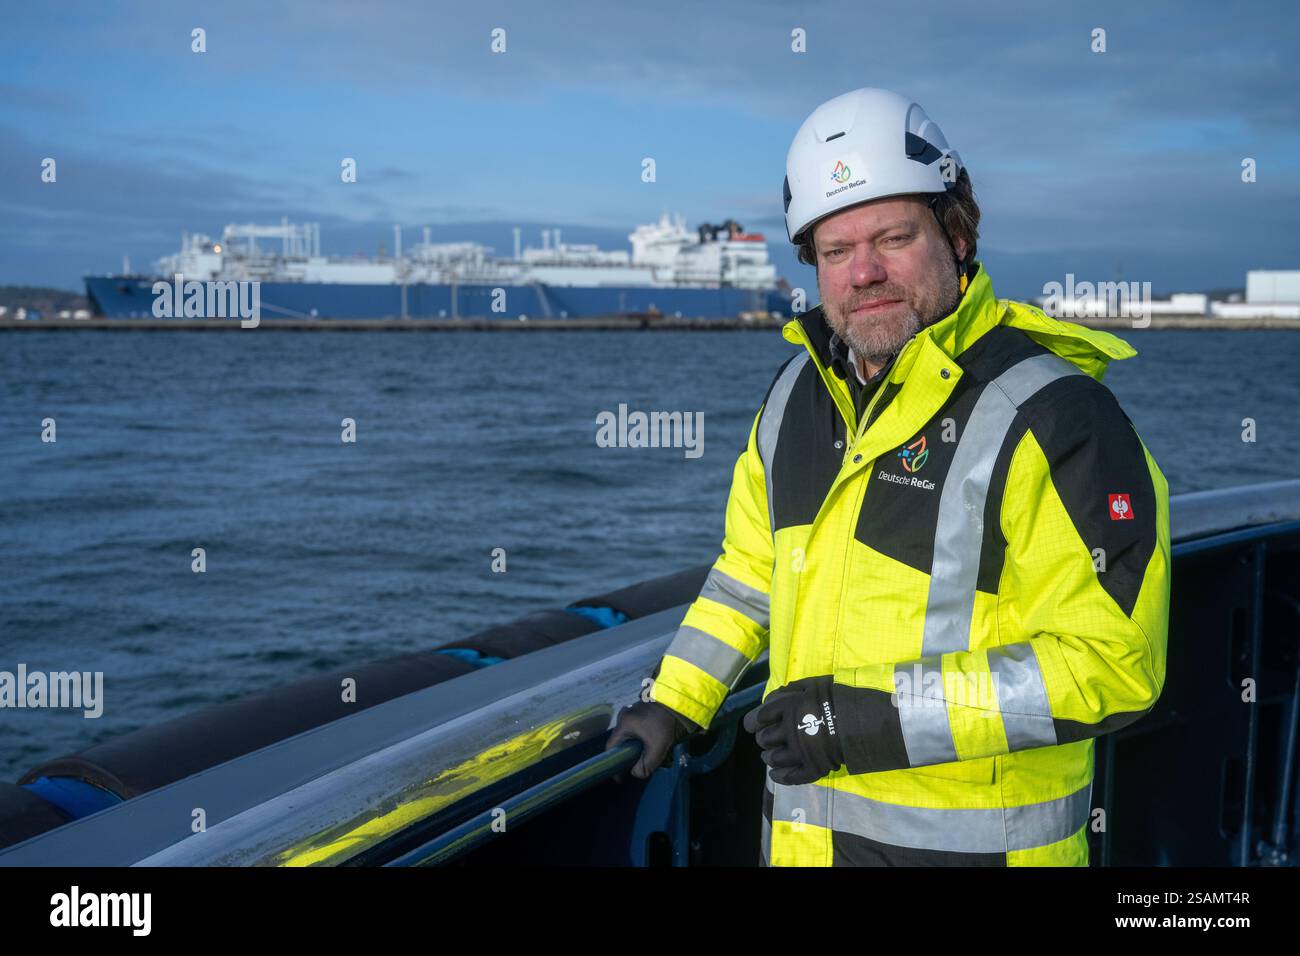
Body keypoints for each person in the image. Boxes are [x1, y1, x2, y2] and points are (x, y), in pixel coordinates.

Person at [606, 87, 1171, 866]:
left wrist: (859, 722)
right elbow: (747, 579)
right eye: (836, 252)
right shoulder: (794, 400)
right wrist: (675, 700)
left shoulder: (1056, 416)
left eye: (893, 237)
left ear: (958, 233)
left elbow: (1112, 662)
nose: (864, 272)